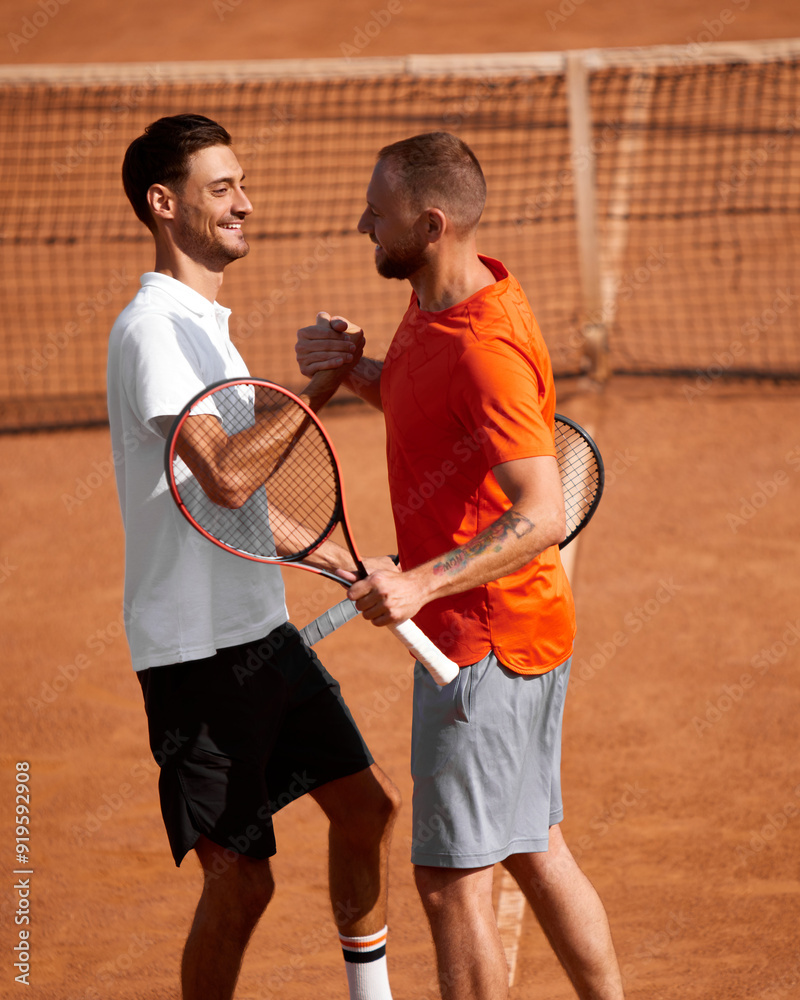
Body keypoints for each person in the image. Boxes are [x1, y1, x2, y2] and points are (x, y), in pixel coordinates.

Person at [296, 132, 625, 1000]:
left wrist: (419, 581)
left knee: (449, 882)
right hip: (515, 632)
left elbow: (542, 511)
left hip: (482, 648)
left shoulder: (484, 347)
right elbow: (434, 403)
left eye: (380, 210)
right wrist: (356, 370)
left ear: (432, 223)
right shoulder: (437, 299)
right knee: (533, 847)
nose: (363, 219)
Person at [107, 114, 401, 1000]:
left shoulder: (210, 330)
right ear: (164, 205)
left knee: (366, 810)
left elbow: (224, 508)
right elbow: (231, 479)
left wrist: (324, 555)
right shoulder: (152, 328)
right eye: (221, 186)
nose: (244, 202)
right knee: (241, 879)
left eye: (243, 183)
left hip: (261, 635)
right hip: (197, 658)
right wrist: (320, 384)